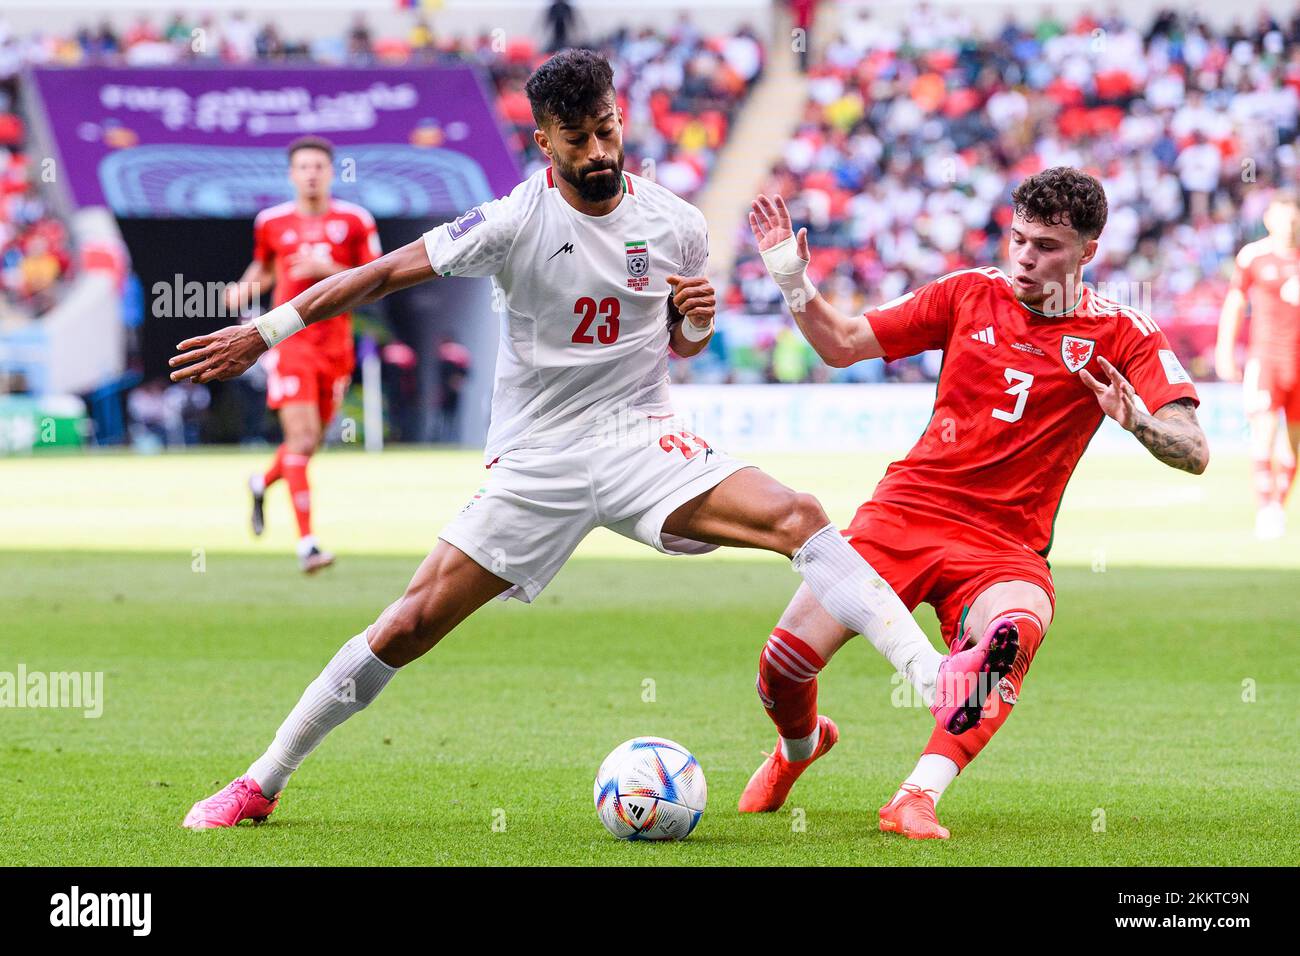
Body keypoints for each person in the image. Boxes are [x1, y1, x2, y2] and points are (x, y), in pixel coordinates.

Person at [171, 50, 1008, 829]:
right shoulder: (507, 222)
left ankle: (932, 677)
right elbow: (384, 272)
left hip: (642, 438)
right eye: (579, 139)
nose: (600, 149)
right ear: (546, 143)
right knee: (408, 625)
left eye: (608, 128)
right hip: (539, 457)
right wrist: (267, 330)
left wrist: (691, 327)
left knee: (798, 514)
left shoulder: (675, 223)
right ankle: (261, 782)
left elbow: (678, 344)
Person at [741, 167, 1209, 838]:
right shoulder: (967, 293)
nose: (1024, 256)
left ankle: (914, 796)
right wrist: (790, 276)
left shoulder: (1124, 332)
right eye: (1017, 238)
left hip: (1005, 548)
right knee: (781, 670)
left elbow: (1194, 450)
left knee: (1014, 634)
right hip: (905, 514)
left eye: (1047, 245)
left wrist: (1138, 422)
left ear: (1088, 252)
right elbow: (842, 345)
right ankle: (799, 747)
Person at [224, 135, 381, 572]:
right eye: (303, 167)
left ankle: (261, 481)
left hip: (336, 346)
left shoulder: (354, 220)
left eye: (319, 167)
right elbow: (265, 268)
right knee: (303, 440)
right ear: (292, 174)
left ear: (330, 172)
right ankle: (307, 543)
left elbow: (378, 275)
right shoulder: (271, 222)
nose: (311, 173)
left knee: (309, 446)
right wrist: (242, 289)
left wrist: (327, 271)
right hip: (289, 340)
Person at [1215, 190, 1300, 539]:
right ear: (1268, 219)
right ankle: (1266, 509)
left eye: (1294, 215)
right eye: (1283, 215)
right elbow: (1235, 302)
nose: (1290, 222)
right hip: (1267, 359)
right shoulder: (1254, 256)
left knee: (1294, 446)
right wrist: (1224, 349)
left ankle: (1278, 503)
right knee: (1263, 434)